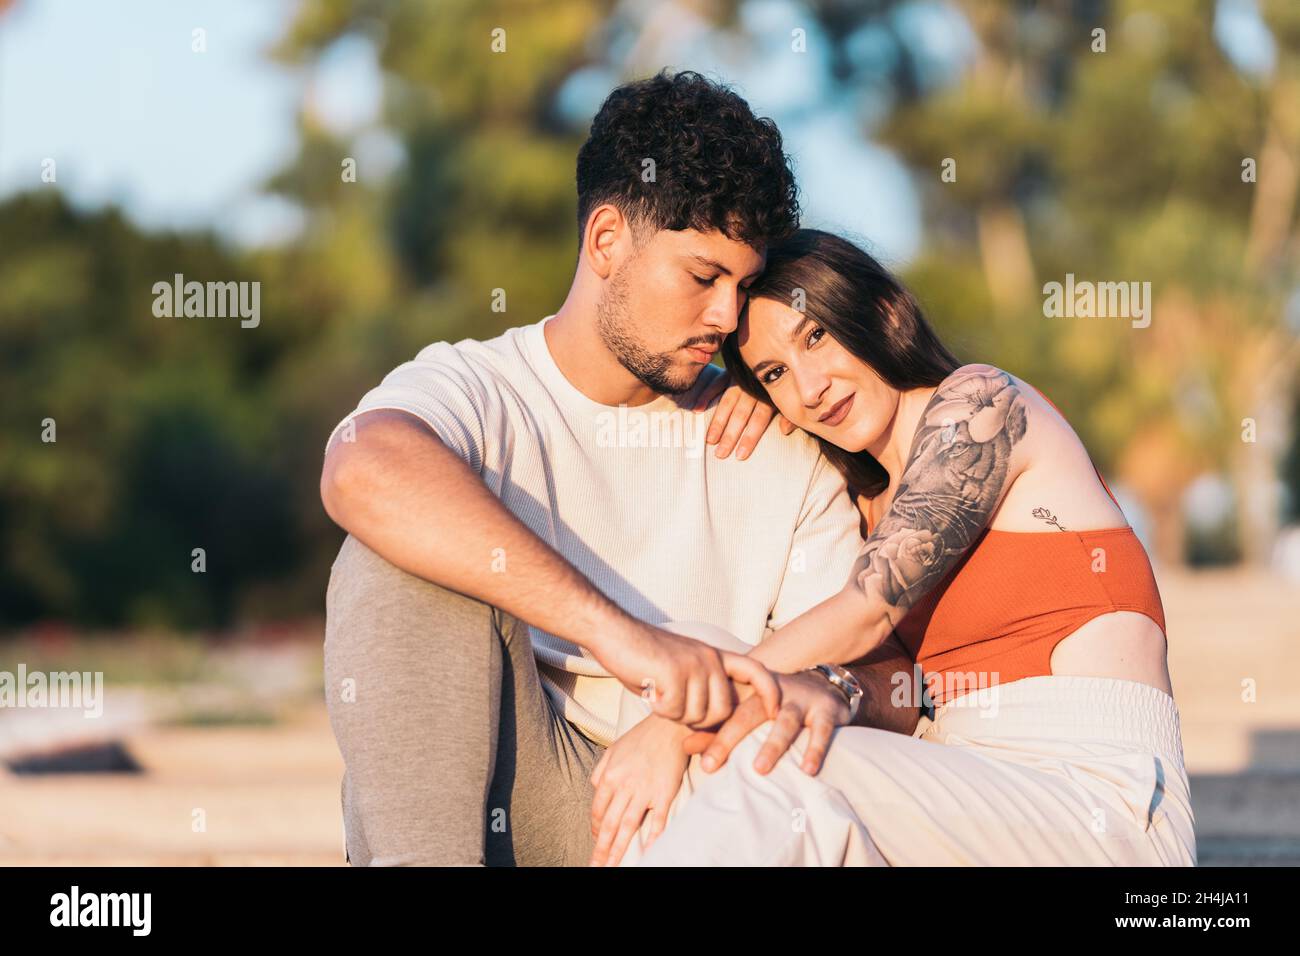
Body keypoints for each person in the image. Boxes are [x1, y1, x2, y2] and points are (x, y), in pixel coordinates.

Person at [318, 72, 918, 867]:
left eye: (742, 286)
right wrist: (622, 638)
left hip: (697, 813)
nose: (727, 318)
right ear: (606, 241)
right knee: (391, 556)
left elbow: (879, 673)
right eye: (703, 278)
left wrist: (796, 693)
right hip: (517, 799)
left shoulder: (771, 435)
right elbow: (361, 466)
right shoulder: (483, 390)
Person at [615, 228, 1197, 866]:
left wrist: (673, 725)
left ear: (886, 314)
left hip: (1101, 806)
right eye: (776, 373)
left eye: (816, 336)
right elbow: (886, 692)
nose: (809, 387)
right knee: (708, 668)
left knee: (754, 741)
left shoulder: (982, 405)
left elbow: (869, 608)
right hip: (959, 786)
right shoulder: (862, 504)